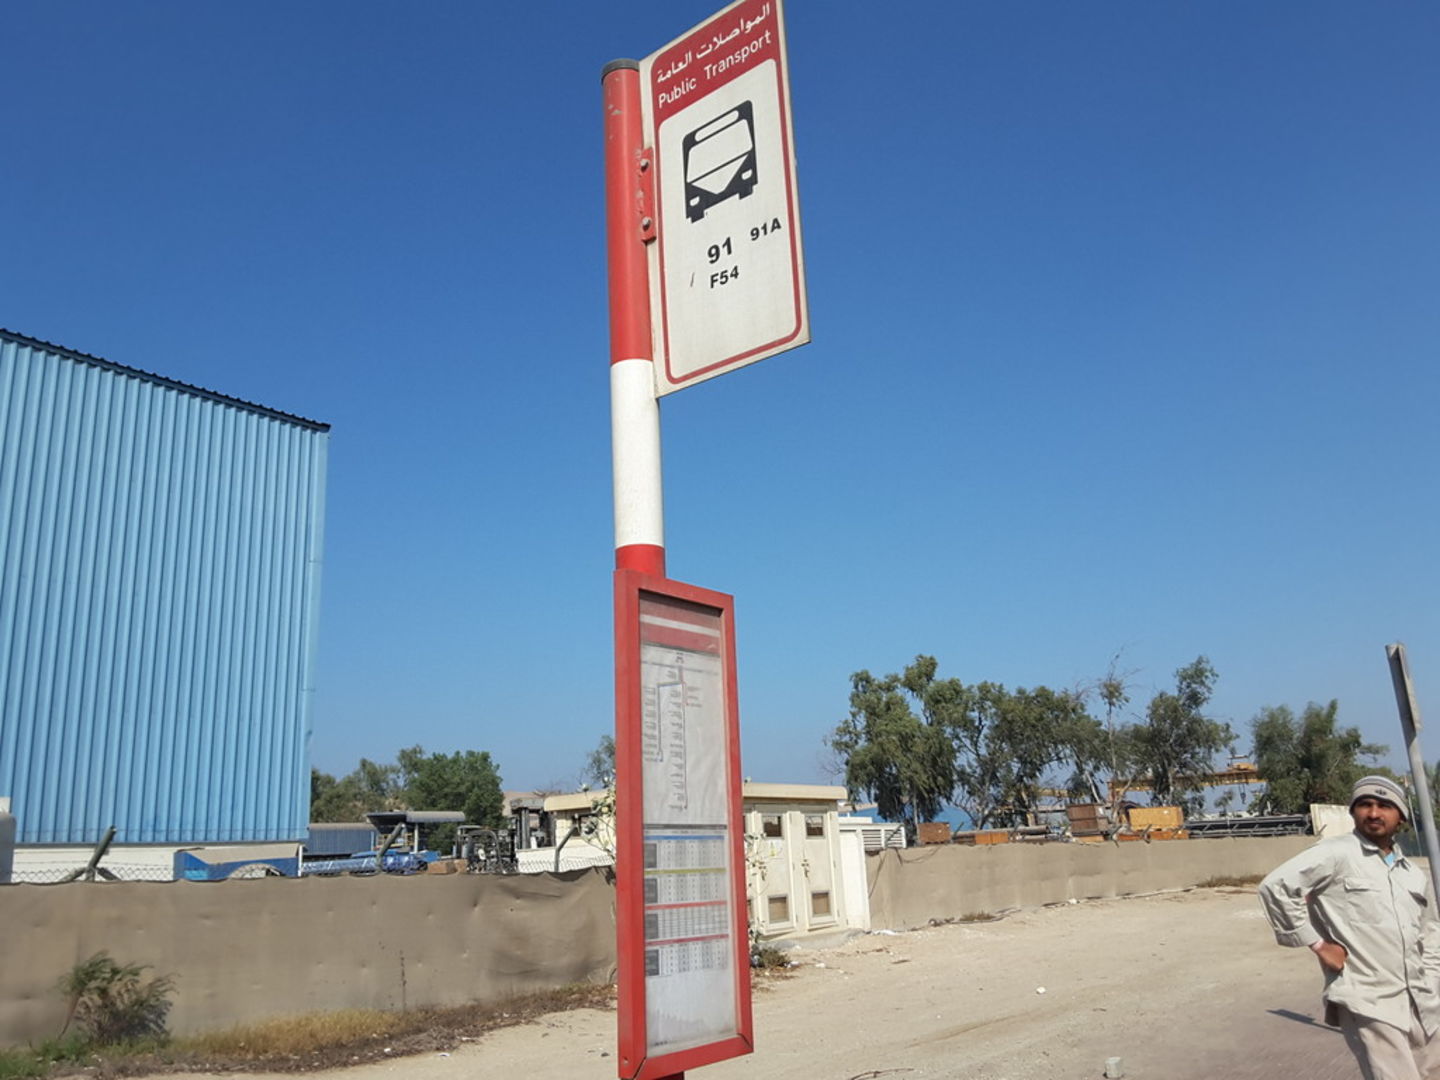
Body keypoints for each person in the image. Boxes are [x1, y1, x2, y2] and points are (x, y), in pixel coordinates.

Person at [1259, 775, 1440, 1080]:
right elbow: (1275, 886)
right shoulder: (1337, 853)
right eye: (1365, 805)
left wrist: (1433, 980)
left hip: (1422, 1002)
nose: (1373, 813)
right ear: (1353, 811)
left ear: (1401, 817)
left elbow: (1430, 932)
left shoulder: (1411, 872)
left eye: (1384, 806)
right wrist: (1317, 944)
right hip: (1369, 1000)